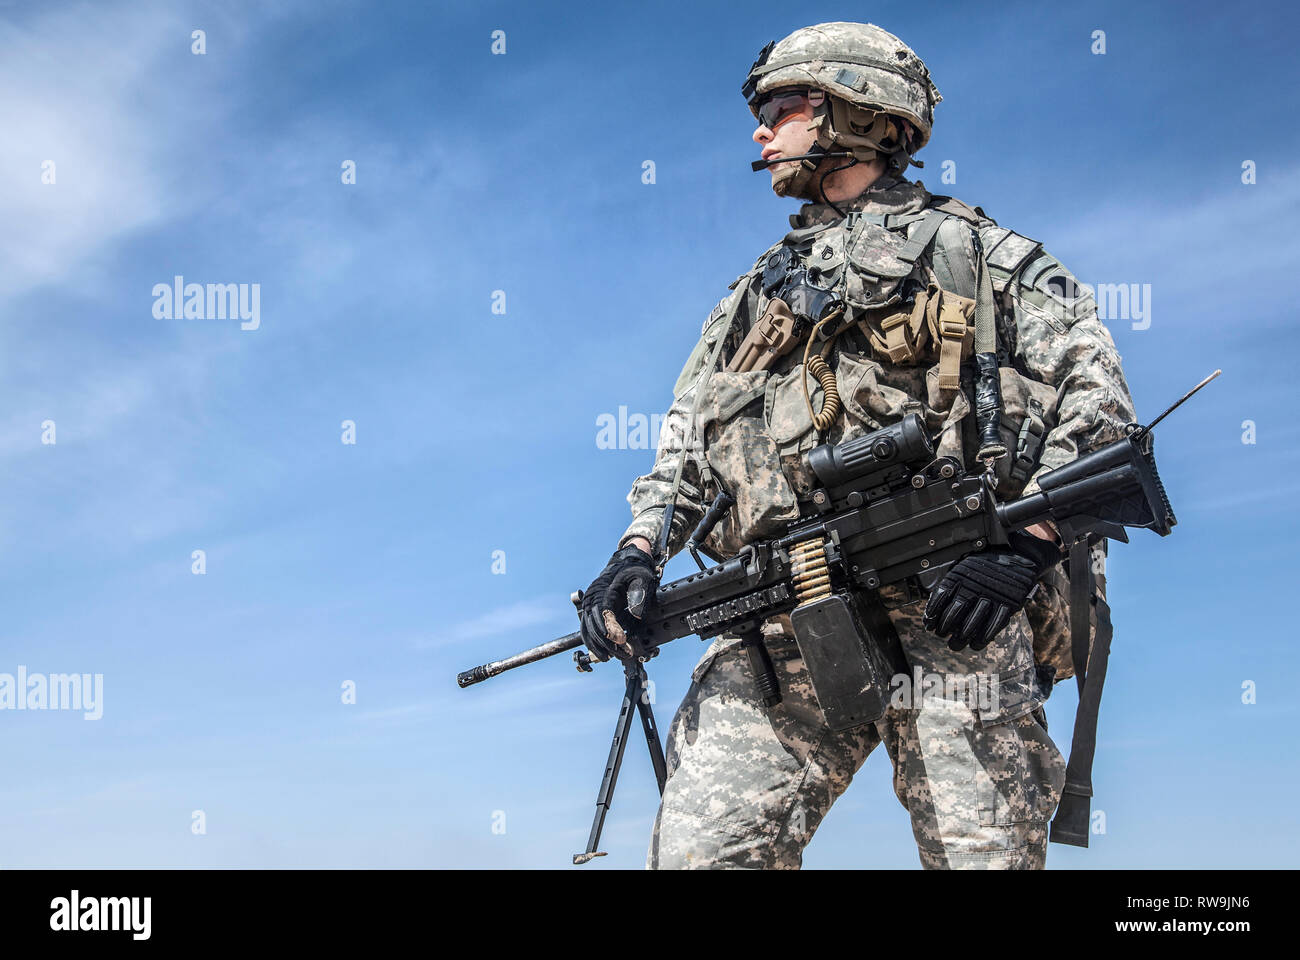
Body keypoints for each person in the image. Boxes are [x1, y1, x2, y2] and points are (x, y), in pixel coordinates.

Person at [578, 21, 1135, 869]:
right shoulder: (752, 299)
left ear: (860, 111)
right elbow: (689, 441)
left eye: (782, 108)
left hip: (958, 604)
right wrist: (638, 550)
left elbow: (1099, 404)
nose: (760, 133)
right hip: (781, 613)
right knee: (702, 855)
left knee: (981, 858)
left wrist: (1029, 543)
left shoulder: (985, 257)